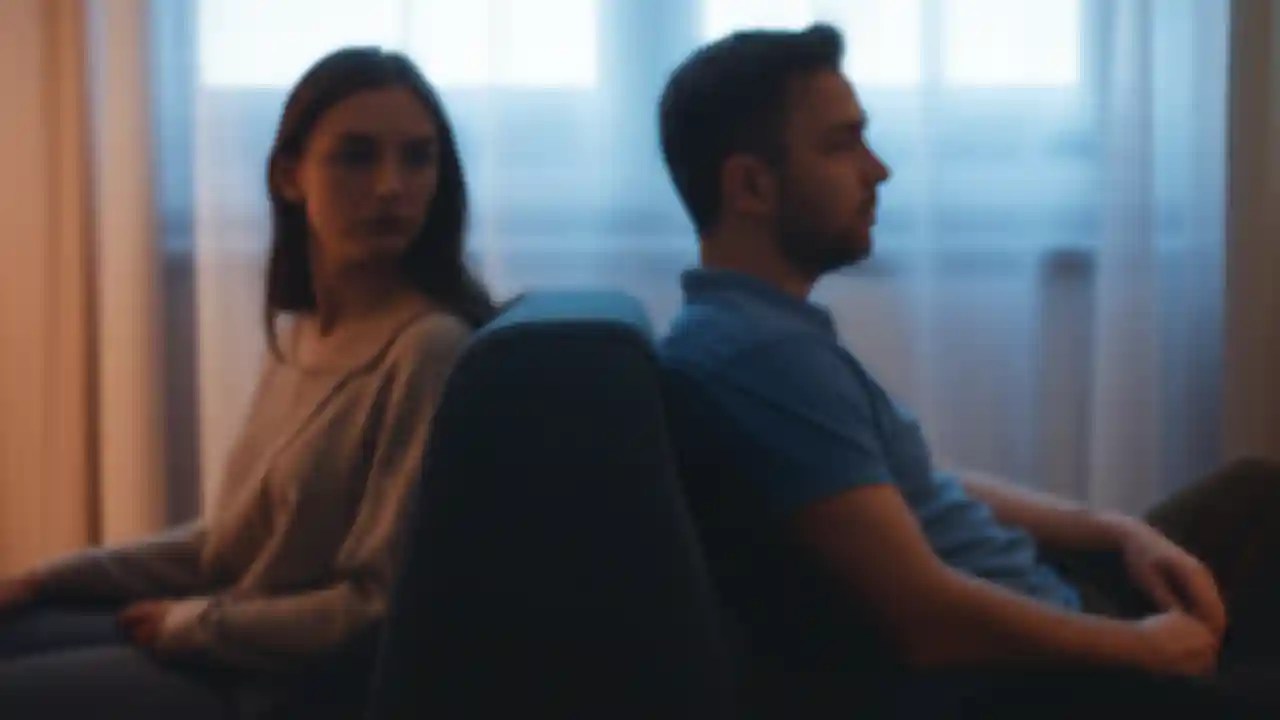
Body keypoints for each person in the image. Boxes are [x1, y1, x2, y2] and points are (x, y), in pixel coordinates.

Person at [657, 24, 1280, 716]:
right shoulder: (758, 359)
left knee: (1253, 497)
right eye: (841, 144)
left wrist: (1113, 529)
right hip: (1041, 670)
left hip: (1056, 599)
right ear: (751, 185)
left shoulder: (755, 335)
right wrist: (1145, 649)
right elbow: (930, 620)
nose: (877, 169)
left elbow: (917, 482)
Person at [0, 47, 493, 717]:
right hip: (230, 635)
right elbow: (227, 545)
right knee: (18, 624)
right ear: (290, 176)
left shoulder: (428, 350)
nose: (390, 186)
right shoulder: (303, 333)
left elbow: (378, 607)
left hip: (286, 685)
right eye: (356, 155)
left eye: (417, 157)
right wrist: (51, 576)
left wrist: (191, 626)